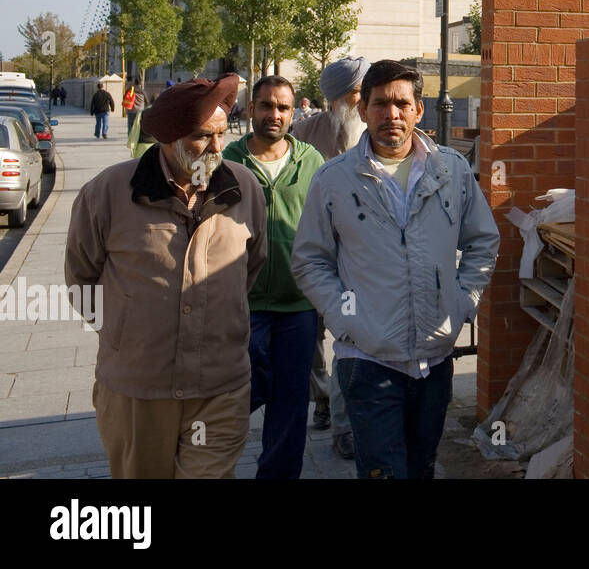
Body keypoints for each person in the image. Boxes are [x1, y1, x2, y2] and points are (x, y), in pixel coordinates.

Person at [292, 60, 499, 479]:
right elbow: (311, 259)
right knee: (384, 472)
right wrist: (345, 314)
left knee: (421, 467)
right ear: (363, 109)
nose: (392, 114)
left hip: (434, 360)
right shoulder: (334, 179)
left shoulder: (451, 171)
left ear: (418, 110)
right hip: (368, 359)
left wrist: (461, 304)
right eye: (381, 104)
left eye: (402, 103)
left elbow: (482, 242)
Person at [64, 74, 267, 479]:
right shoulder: (106, 192)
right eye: (200, 137)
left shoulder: (245, 189)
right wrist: (128, 334)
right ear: (168, 138)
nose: (215, 149)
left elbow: (251, 267)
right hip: (138, 390)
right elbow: (81, 279)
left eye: (221, 135)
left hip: (220, 388)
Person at [223, 75, 324, 479]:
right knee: (237, 393)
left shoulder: (311, 161)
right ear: (251, 109)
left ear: (294, 110)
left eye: (283, 107)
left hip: (298, 304)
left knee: (291, 403)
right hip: (241, 303)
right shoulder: (227, 158)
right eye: (266, 105)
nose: (274, 115)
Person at [291, 55, 370, 459]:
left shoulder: (378, 132)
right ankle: (322, 398)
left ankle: (344, 425)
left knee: (350, 339)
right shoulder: (304, 134)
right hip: (315, 255)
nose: (362, 102)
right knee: (311, 339)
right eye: (356, 94)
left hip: (359, 259)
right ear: (337, 99)